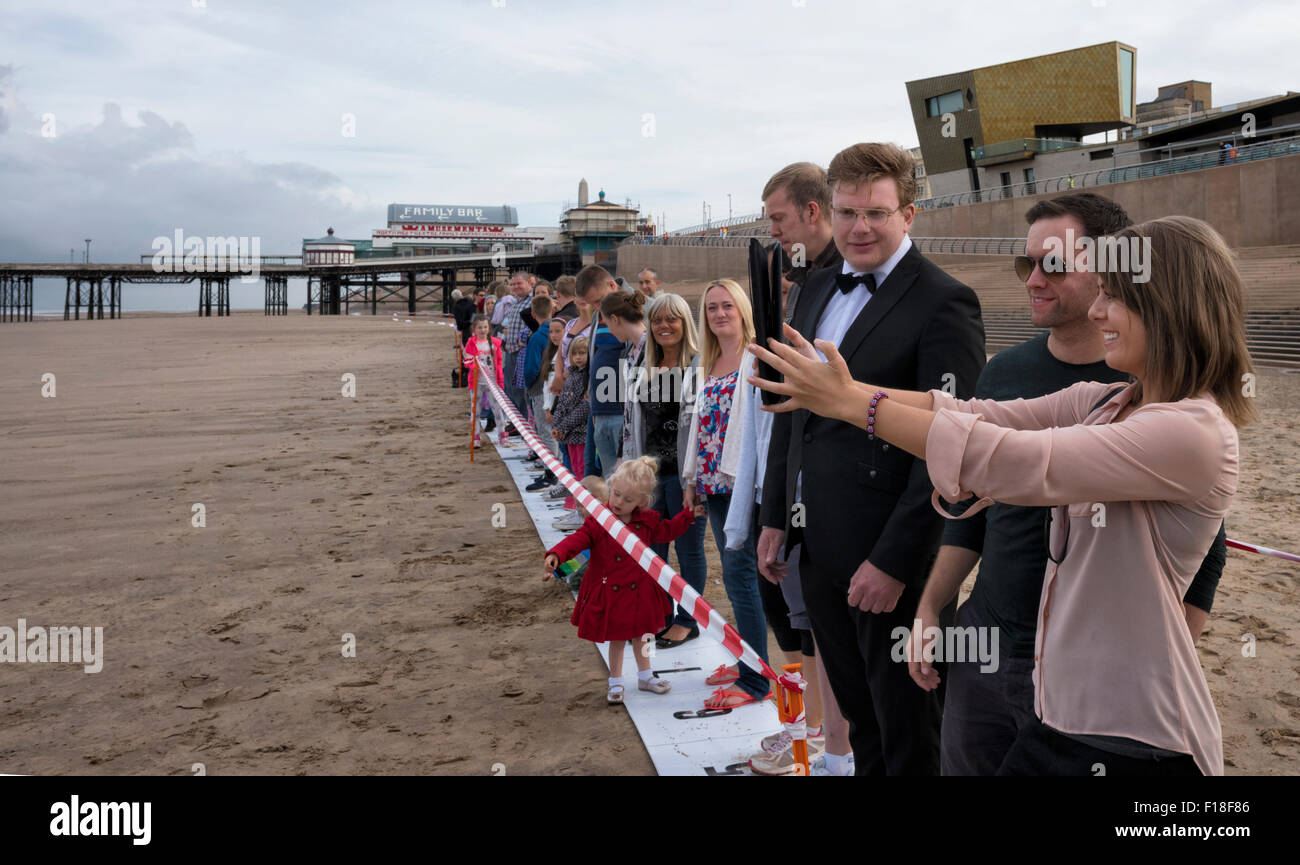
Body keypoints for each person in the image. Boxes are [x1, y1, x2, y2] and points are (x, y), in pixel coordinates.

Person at [749, 214, 1254, 776]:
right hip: (1062, 710)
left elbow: (1014, 460)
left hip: (1134, 734)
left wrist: (850, 405)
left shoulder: (1193, 432)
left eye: (1113, 297)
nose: (1096, 312)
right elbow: (970, 413)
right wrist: (842, 390)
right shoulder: (1107, 401)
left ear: (1166, 305)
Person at [910, 192, 1227, 775]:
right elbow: (973, 510)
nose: (1034, 280)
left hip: (1087, 669)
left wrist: (1155, 657)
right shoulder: (1020, 373)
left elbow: (1204, 553)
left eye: (1053, 264)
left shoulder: (1151, 391)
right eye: (1025, 264)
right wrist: (933, 606)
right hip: (990, 637)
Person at [757, 142, 986, 775]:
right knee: (861, 725)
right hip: (817, 546)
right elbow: (792, 412)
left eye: (876, 213)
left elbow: (950, 446)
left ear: (908, 214)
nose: (860, 228)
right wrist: (775, 515)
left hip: (891, 560)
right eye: (848, 212)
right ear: (830, 210)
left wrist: (894, 562)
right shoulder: (814, 287)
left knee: (909, 733)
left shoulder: (946, 301)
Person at [544, 456, 705, 703]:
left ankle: (646, 676)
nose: (618, 502)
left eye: (627, 500)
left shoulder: (648, 521)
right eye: (616, 494)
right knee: (617, 640)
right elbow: (578, 540)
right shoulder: (600, 520)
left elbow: (668, 531)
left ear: (642, 502)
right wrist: (557, 554)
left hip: (641, 591)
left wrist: (687, 516)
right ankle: (616, 681)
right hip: (611, 591)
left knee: (644, 636)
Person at [681, 278, 771, 710]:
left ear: (742, 310)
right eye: (712, 307)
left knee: (742, 577)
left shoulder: (758, 357)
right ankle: (747, 660)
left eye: (727, 306)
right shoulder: (708, 360)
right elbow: (697, 425)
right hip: (713, 484)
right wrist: (691, 479)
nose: (719, 314)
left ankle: (756, 680)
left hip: (745, 485)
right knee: (736, 578)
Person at [621, 293, 708, 650]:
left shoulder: (700, 366)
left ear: (685, 323)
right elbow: (633, 424)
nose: (663, 326)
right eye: (657, 320)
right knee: (653, 551)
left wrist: (696, 478)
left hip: (685, 476)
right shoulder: (642, 366)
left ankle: (688, 621)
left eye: (672, 318)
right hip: (651, 478)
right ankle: (661, 614)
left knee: (688, 550)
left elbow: (704, 428)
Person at [764, 161, 841, 313]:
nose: (773, 232)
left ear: (811, 212)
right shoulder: (800, 281)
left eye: (779, 218)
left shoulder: (856, 278)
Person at [574, 265, 623, 478]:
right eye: (592, 303)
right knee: (607, 478)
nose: (597, 307)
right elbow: (594, 355)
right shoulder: (598, 315)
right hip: (601, 409)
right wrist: (593, 400)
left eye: (598, 300)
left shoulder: (640, 309)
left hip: (623, 410)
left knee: (626, 480)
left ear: (612, 285)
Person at [550, 336, 592, 530]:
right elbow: (562, 403)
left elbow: (584, 407)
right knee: (574, 471)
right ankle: (577, 509)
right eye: (574, 354)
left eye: (582, 353)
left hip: (581, 433)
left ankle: (584, 512)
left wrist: (563, 426)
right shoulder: (572, 375)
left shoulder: (587, 376)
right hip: (568, 434)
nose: (578, 357)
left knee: (582, 472)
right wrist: (557, 426)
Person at [523, 296, 559, 490]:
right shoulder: (559, 332)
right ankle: (556, 470)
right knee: (553, 430)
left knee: (545, 432)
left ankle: (551, 473)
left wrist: (528, 385)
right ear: (552, 311)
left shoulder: (537, 337)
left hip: (540, 387)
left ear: (533, 314)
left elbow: (531, 367)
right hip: (556, 386)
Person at [463, 314, 507, 447]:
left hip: (492, 382)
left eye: (485, 327)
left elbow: (499, 362)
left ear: (489, 328)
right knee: (475, 410)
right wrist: (474, 366)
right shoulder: (471, 343)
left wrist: (500, 381)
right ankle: (476, 437)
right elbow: (467, 360)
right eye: (480, 327)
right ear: (474, 329)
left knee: (497, 409)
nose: (482, 330)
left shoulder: (495, 343)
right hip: (477, 382)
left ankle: (502, 435)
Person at [500, 271, 534, 416]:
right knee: (511, 389)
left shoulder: (533, 301)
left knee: (523, 392)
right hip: (510, 351)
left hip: (523, 353)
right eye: (513, 284)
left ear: (529, 283)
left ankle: (525, 422)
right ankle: (516, 421)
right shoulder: (515, 301)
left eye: (519, 283)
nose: (516, 286)